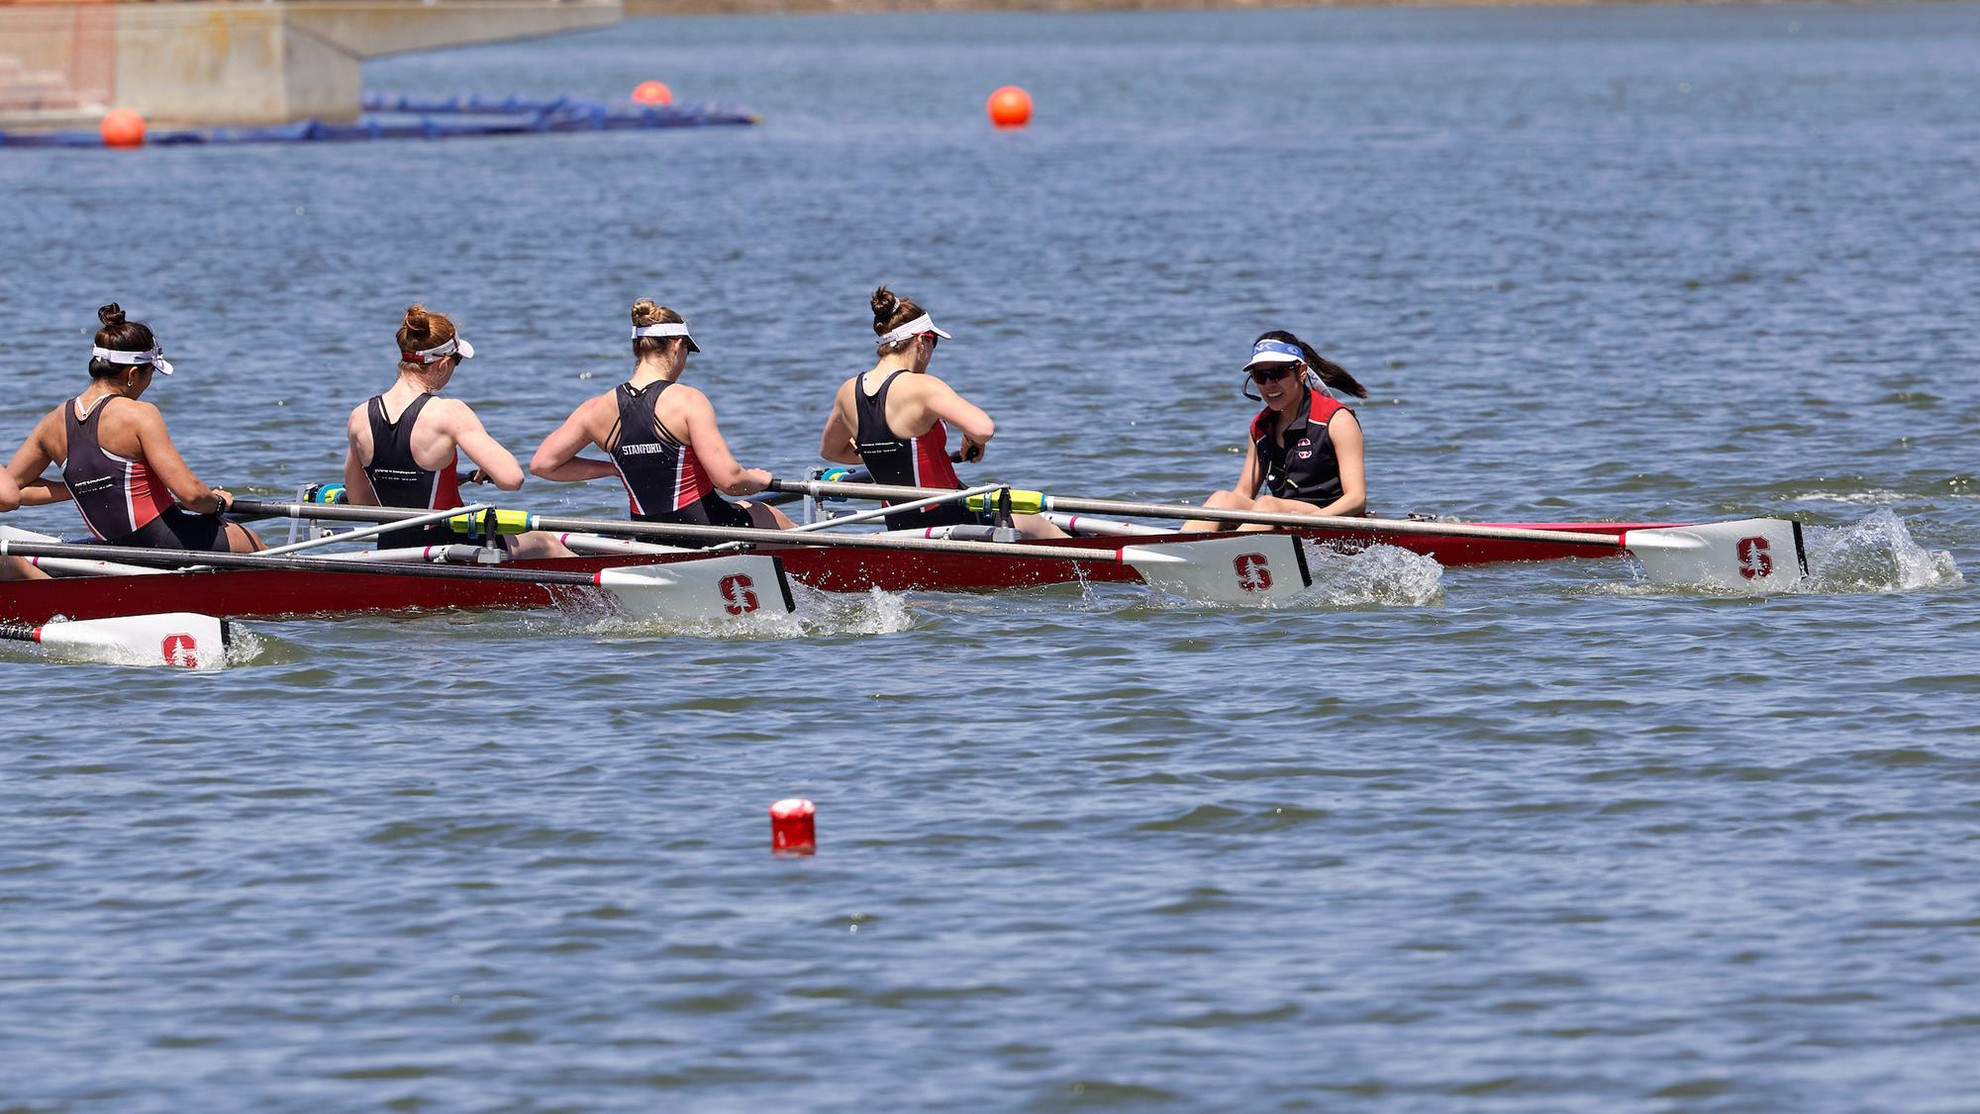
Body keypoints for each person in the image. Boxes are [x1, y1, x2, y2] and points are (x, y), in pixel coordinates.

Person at [7, 304, 262, 554]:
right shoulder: (140, 415)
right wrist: (218, 503)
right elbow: (193, 497)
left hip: (115, 549)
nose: (149, 383)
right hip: (167, 541)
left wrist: (83, 487)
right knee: (251, 542)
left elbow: (9, 492)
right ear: (131, 374)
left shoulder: (52, 423)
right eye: (150, 373)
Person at [530, 300, 794, 539]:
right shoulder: (688, 401)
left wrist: (616, 468)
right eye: (688, 351)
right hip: (708, 531)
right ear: (677, 345)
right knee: (766, 514)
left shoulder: (594, 409)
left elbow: (543, 465)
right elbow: (730, 481)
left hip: (648, 536)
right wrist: (758, 480)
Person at [816, 286, 1064, 538]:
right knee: (1042, 525)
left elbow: (831, 450)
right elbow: (984, 428)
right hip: (952, 521)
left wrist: (882, 453)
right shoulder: (923, 386)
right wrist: (973, 439)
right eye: (935, 343)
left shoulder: (849, 391)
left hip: (901, 529)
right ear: (921, 341)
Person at [343, 305, 570, 557]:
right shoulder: (449, 413)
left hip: (391, 549)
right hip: (450, 548)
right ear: (441, 365)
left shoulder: (359, 416)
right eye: (456, 362)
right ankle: (608, 595)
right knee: (545, 542)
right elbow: (511, 479)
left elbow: (359, 500)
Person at [1183, 331, 1369, 532]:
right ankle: (1171, 551)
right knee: (1222, 498)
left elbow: (1357, 499)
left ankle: (1224, 554)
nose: (1269, 384)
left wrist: (1312, 520)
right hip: (1280, 520)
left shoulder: (1338, 420)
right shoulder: (1260, 427)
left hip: (1329, 523)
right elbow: (1242, 494)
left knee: (1268, 504)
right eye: (1260, 376)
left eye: (1278, 373)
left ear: (1301, 372)